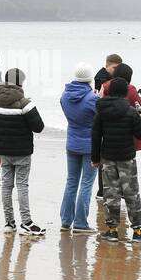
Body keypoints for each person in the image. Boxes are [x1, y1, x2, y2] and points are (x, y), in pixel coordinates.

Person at [91, 75, 141, 243]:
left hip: (108, 158)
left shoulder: (101, 111)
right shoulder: (131, 111)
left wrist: (95, 159)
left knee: (111, 194)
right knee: (132, 194)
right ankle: (137, 231)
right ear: (125, 93)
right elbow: (140, 134)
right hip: (127, 159)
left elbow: (96, 136)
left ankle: (112, 230)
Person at [0, 68, 45, 236]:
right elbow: (39, 127)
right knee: (22, 185)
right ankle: (26, 222)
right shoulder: (25, 103)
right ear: (20, 83)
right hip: (22, 152)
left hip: (4, 151)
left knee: (6, 186)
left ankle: (9, 223)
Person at [59, 64, 99, 233]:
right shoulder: (92, 98)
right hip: (89, 145)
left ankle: (66, 221)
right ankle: (81, 222)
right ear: (90, 79)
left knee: (71, 181)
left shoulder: (65, 95)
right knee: (87, 183)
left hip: (72, 142)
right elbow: (99, 118)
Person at [100, 63, 141, 155]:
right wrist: (140, 98)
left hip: (107, 133)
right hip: (125, 137)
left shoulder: (104, 86)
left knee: (106, 165)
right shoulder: (130, 88)